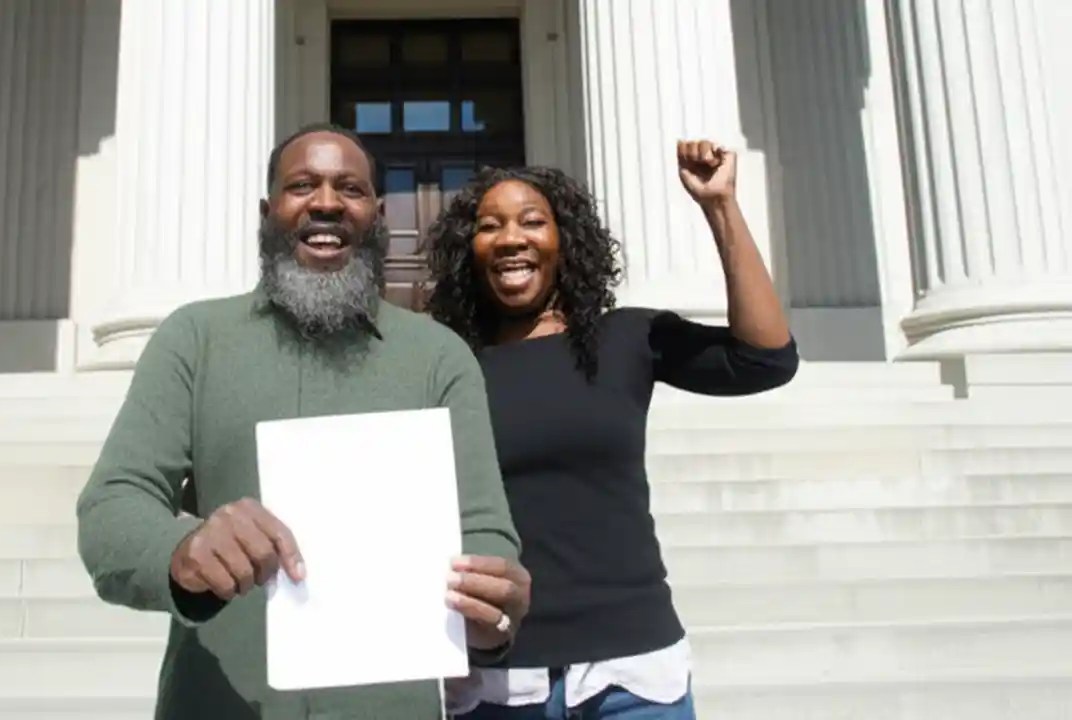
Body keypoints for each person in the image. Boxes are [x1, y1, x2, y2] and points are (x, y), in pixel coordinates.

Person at [76, 123, 531, 720]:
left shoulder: (439, 357)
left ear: (377, 212)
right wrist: (183, 550)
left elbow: (483, 531)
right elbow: (113, 507)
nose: (325, 203)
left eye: (350, 188)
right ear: (269, 211)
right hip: (219, 703)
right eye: (301, 186)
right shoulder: (195, 339)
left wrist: (494, 611)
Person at [426, 140, 799, 719]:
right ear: (467, 250)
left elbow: (764, 361)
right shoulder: (447, 365)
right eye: (488, 226)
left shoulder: (624, 339)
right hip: (497, 683)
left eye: (532, 221)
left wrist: (720, 205)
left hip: (634, 674)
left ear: (565, 243)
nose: (511, 239)